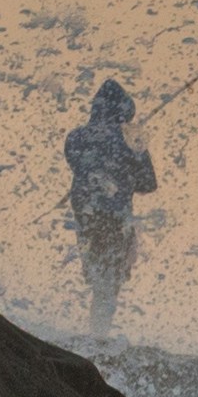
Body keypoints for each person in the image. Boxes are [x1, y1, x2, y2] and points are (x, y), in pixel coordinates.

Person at [61, 76, 155, 331]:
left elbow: (78, 164)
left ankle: (94, 335)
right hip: (115, 216)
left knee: (96, 273)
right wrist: (138, 149)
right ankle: (99, 336)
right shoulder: (128, 139)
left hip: (85, 215)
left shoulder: (76, 136)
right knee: (111, 278)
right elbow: (148, 183)